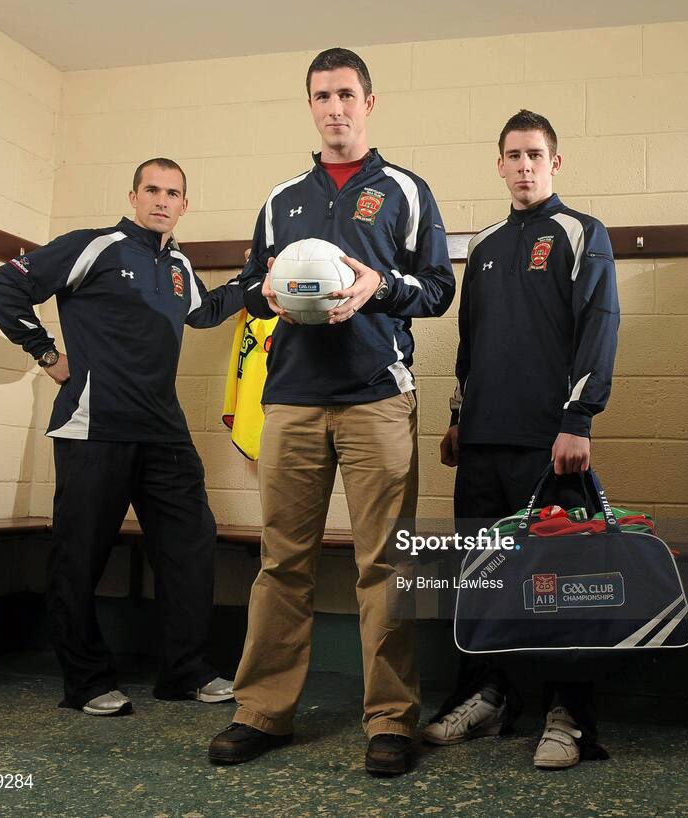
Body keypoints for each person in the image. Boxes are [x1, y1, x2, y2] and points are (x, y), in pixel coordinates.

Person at [207, 48, 455, 776]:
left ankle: (390, 720)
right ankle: (261, 711)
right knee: (281, 561)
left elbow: (438, 289)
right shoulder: (281, 197)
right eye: (321, 96)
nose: (334, 107)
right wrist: (267, 296)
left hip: (377, 397)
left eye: (346, 94)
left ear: (368, 103)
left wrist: (380, 285)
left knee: (384, 564)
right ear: (310, 106)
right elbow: (252, 286)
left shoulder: (406, 191)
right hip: (290, 399)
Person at [0, 158, 244, 716]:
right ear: (133, 196)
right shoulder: (94, 246)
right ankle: (85, 681)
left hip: (164, 433)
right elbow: (6, 284)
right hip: (93, 429)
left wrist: (254, 282)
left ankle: (186, 670)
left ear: (183, 205)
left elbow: (205, 312)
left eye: (173, 193)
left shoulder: (178, 265)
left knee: (191, 546)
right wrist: (46, 353)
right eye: (152, 189)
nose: (162, 200)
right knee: (79, 556)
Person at [423, 110, 620, 769]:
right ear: (499, 164)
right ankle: (487, 696)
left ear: (554, 162)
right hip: (481, 443)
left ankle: (568, 716)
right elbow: (469, 345)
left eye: (535, 153)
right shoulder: (481, 245)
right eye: (513, 155)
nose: (524, 165)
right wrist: (458, 416)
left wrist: (578, 419)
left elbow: (599, 325)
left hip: (549, 443)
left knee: (557, 582)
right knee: (481, 579)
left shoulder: (580, 233)